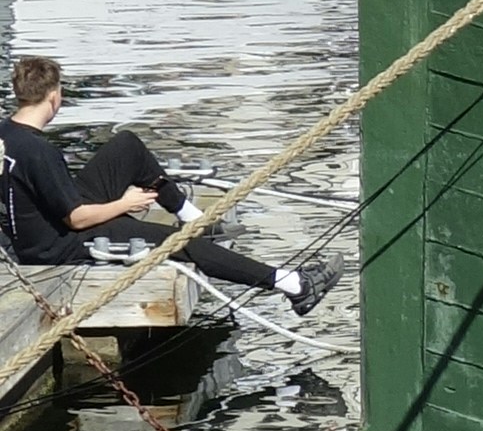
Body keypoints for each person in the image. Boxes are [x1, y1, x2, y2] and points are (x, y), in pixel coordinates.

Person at [2, 54, 333, 309]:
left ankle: (195, 218)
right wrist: (125, 204)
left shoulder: (7, 134)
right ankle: (294, 286)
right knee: (183, 245)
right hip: (61, 245)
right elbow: (76, 219)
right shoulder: (40, 152)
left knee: (127, 146)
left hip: (39, 232)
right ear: (55, 96)